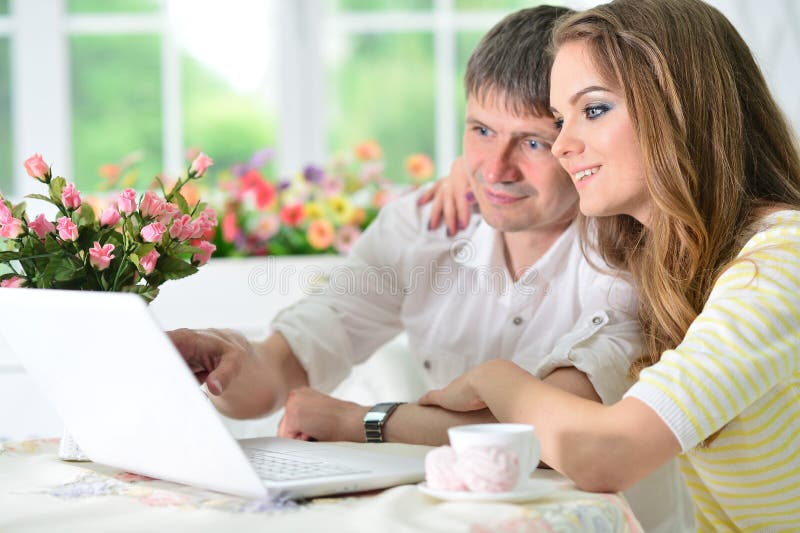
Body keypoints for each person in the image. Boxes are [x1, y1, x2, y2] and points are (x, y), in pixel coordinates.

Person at [169, 6, 692, 531]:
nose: (495, 169)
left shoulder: (633, 249)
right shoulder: (424, 226)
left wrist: (361, 422)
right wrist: (232, 361)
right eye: (482, 130)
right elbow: (284, 368)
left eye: (532, 142)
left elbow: (549, 428)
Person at [419, 0, 800, 530]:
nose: (561, 146)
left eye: (594, 110)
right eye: (559, 121)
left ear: (681, 107)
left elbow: (606, 454)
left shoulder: (782, 264)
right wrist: (479, 174)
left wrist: (494, 379)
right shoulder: (674, 261)